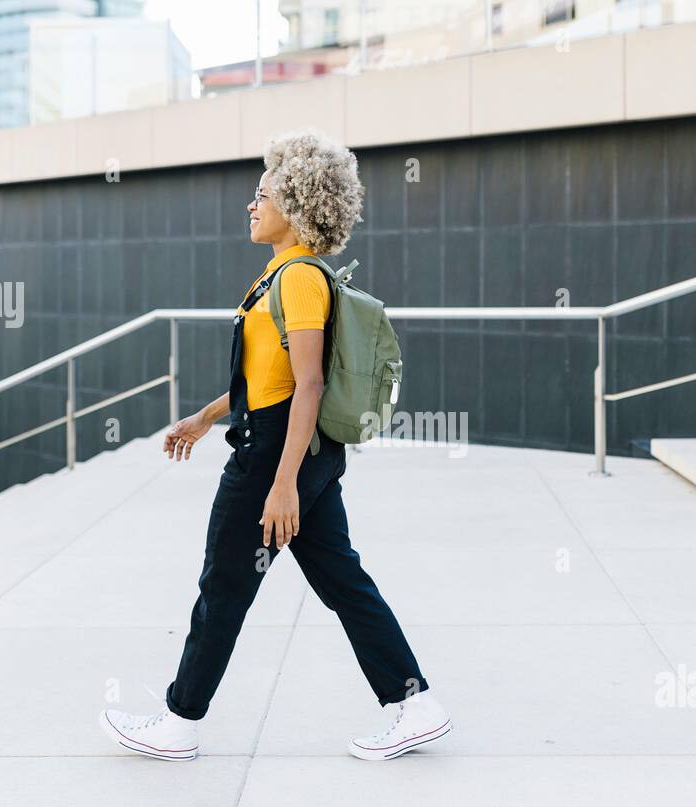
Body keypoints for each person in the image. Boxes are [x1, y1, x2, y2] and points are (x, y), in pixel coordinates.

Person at [99, 130, 451, 762]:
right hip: (288, 449)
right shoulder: (278, 275)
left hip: (276, 457)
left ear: (297, 204)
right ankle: (414, 704)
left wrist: (283, 480)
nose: (251, 205)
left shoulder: (300, 281)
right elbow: (269, 381)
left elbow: (310, 384)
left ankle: (179, 722)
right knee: (342, 579)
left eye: (262, 195)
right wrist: (206, 417)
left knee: (225, 583)